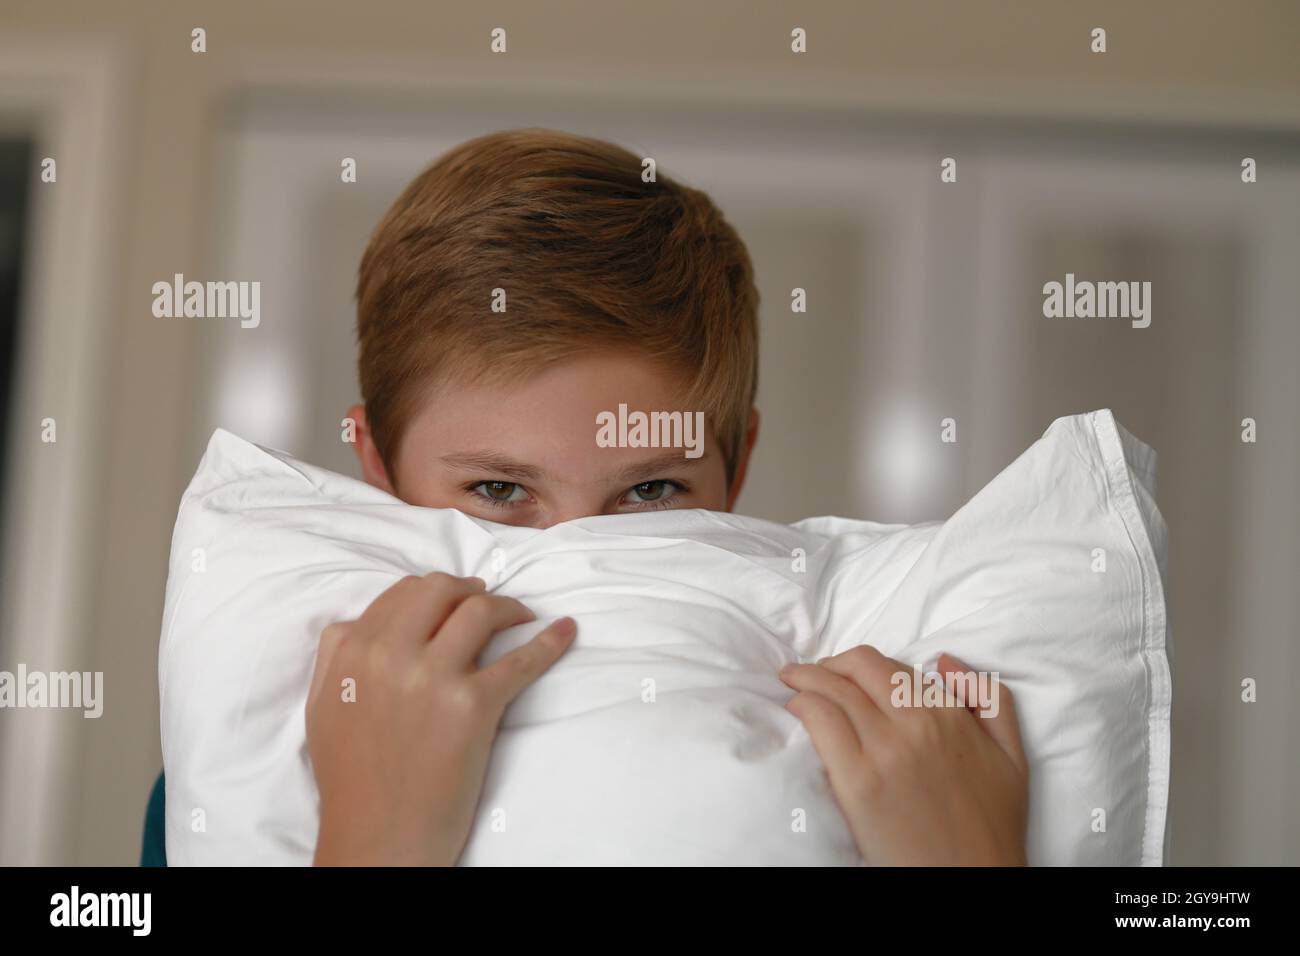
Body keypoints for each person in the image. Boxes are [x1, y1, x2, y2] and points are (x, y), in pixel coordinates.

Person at [147, 128, 1028, 867]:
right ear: (378, 464)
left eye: (649, 490)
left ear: (736, 463)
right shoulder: (259, 766)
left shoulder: (905, 758)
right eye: (498, 490)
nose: (577, 558)